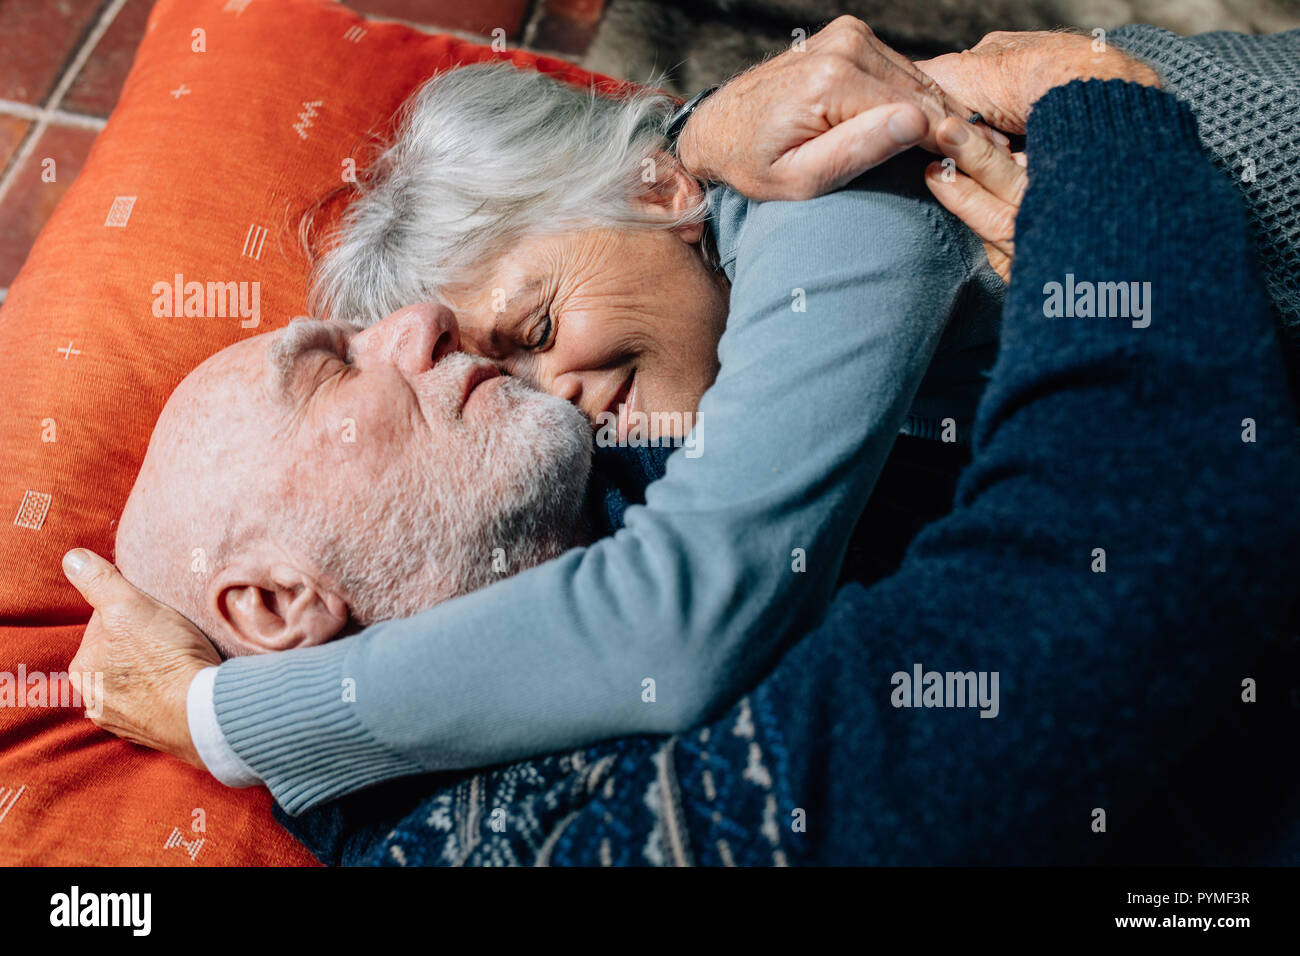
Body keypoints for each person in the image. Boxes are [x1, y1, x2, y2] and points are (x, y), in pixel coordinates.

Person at [63, 22, 1300, 828]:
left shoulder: (827, 190)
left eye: (534, 326)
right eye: (513, 369)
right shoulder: (607, 434)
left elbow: (679, 605)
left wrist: (233, 720)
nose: (555, 397)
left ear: (664, 193)